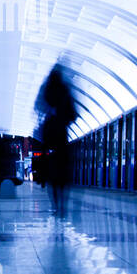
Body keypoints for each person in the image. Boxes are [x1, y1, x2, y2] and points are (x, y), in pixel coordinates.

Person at [36, 65, 78, 217]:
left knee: (51, 174)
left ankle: (55, 205)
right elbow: (74, 115)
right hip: (62, 137)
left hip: (49, 138)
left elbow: (38, 108)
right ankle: (62, 205)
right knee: (63, 175)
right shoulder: (66, 91)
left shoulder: (46, 90)